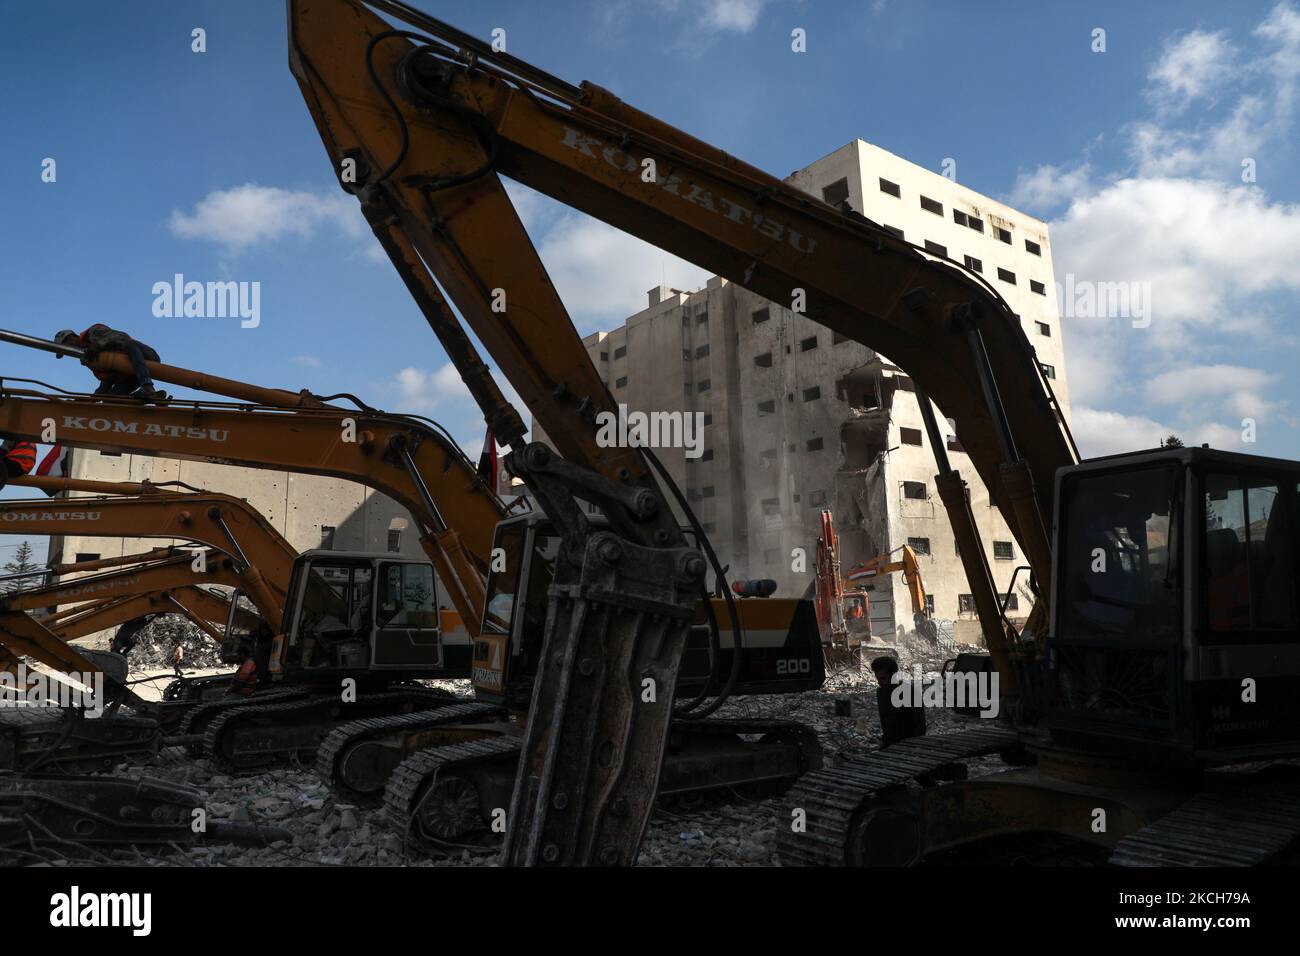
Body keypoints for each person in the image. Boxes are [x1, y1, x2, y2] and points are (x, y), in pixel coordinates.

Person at [54, 325, 167, 401]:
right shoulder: (89, 359)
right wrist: (90, 400)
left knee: (128, 344)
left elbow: (122, 337)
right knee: (110, 399)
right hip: (130, 375)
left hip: (145, 357)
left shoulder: (93, 333)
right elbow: (106, 381)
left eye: (66, 347)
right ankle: (147, 398)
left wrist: (97, 345)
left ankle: (147, 387)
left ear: (71, 339)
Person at [871, 655, 926, 747]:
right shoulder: (881, 692)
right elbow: (885, 722)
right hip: (891, 744)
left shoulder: (910, 691)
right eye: (877, 678)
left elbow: (920, 725)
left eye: (883, 678)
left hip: (910, 745)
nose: (879, 682)